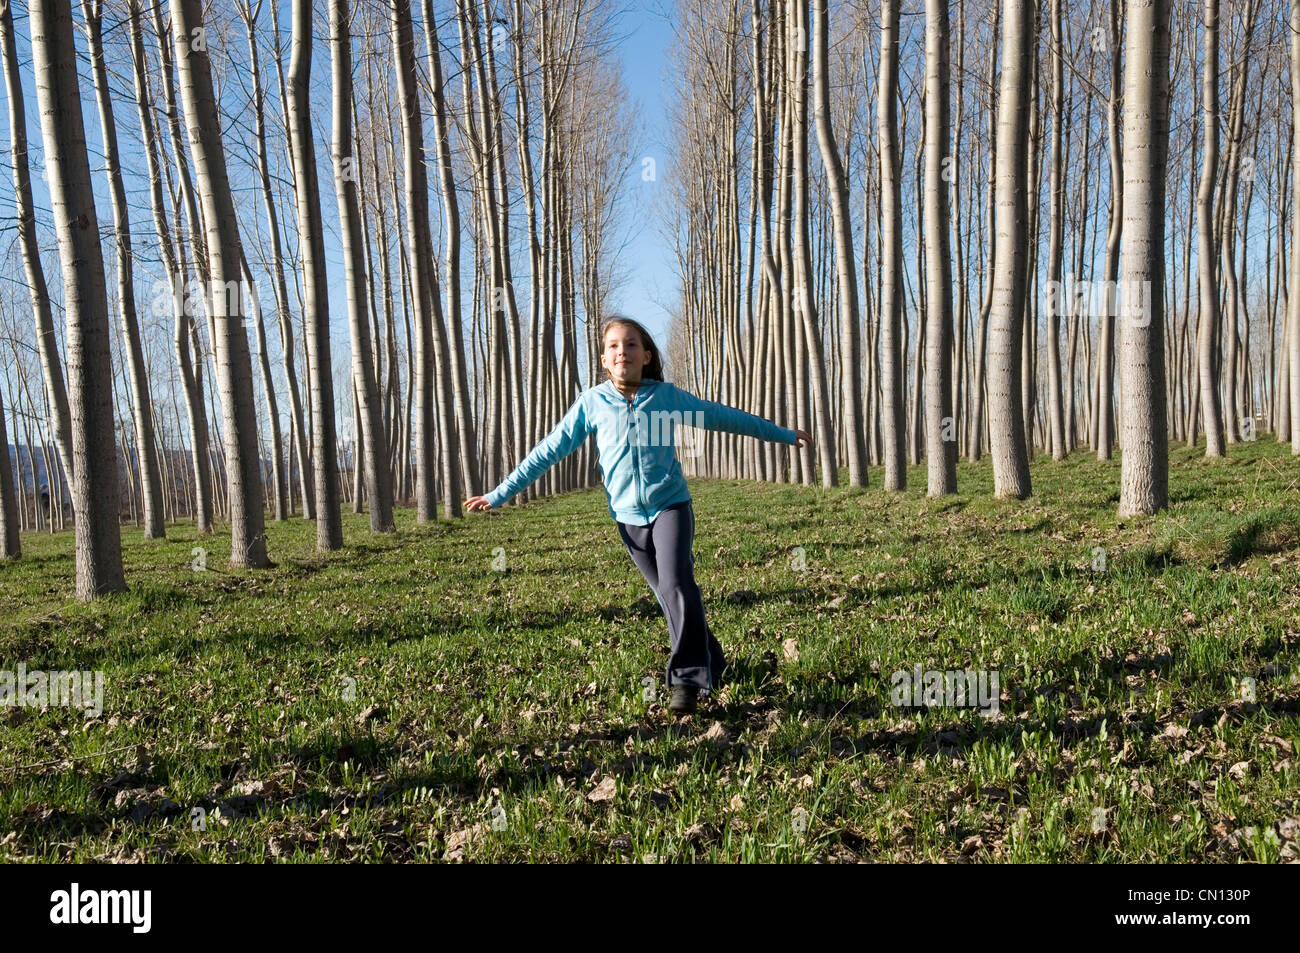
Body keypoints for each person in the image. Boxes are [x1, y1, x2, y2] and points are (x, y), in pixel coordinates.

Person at [466, 316, 812, 715]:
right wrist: (500, 492)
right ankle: (715, 663)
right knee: (670, 596)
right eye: (613, 346)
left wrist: (783, 434)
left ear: (646, 356)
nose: (622, 352)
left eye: (630, 345)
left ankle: (686, 682)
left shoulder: (666, 397)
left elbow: (722, 416)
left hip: (670, 507)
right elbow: (550, 449)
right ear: (603, 359)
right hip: (628, 519)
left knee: (678, 584)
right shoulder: (592, 403)